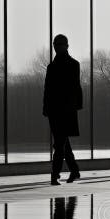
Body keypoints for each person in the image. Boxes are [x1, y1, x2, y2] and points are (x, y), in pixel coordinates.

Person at [43, 34, 82, 186]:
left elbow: (74, 86)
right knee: (62, 142)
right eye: (55, 44)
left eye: (59, 44)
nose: (56, 47)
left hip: (62, 109)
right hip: (60, 109)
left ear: (66, 46)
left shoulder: (60, 66)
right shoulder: (69, 65)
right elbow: (48, 89)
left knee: (60, 143)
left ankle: (55, 174)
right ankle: (73, 170)